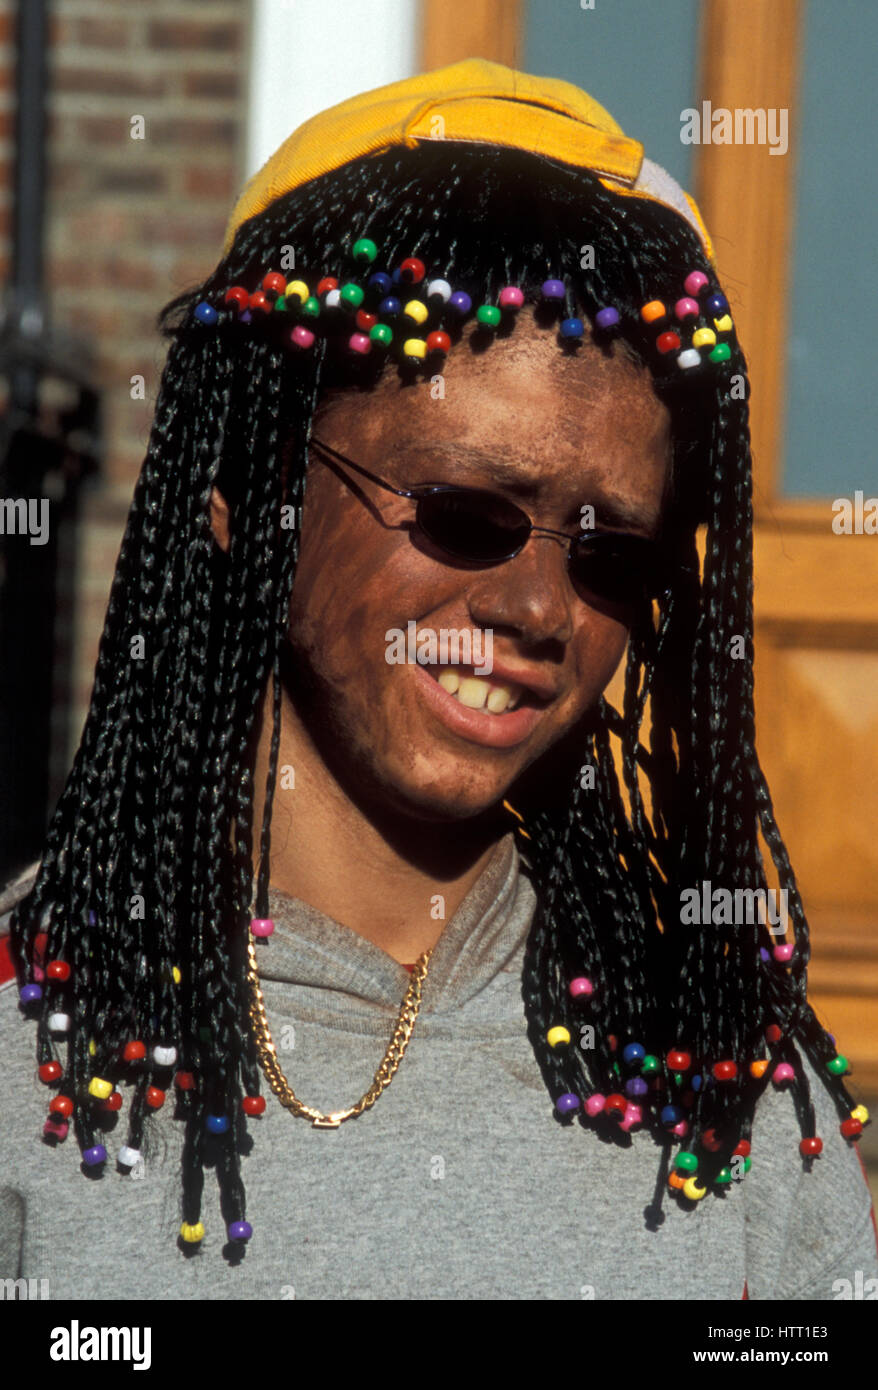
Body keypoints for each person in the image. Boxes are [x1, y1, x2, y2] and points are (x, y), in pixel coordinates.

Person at [2, 60, 875, 1301]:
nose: (535, 606)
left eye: (609, 551)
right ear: (247, 506)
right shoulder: (29, 1042)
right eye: (463, 512)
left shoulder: (716, 1082)